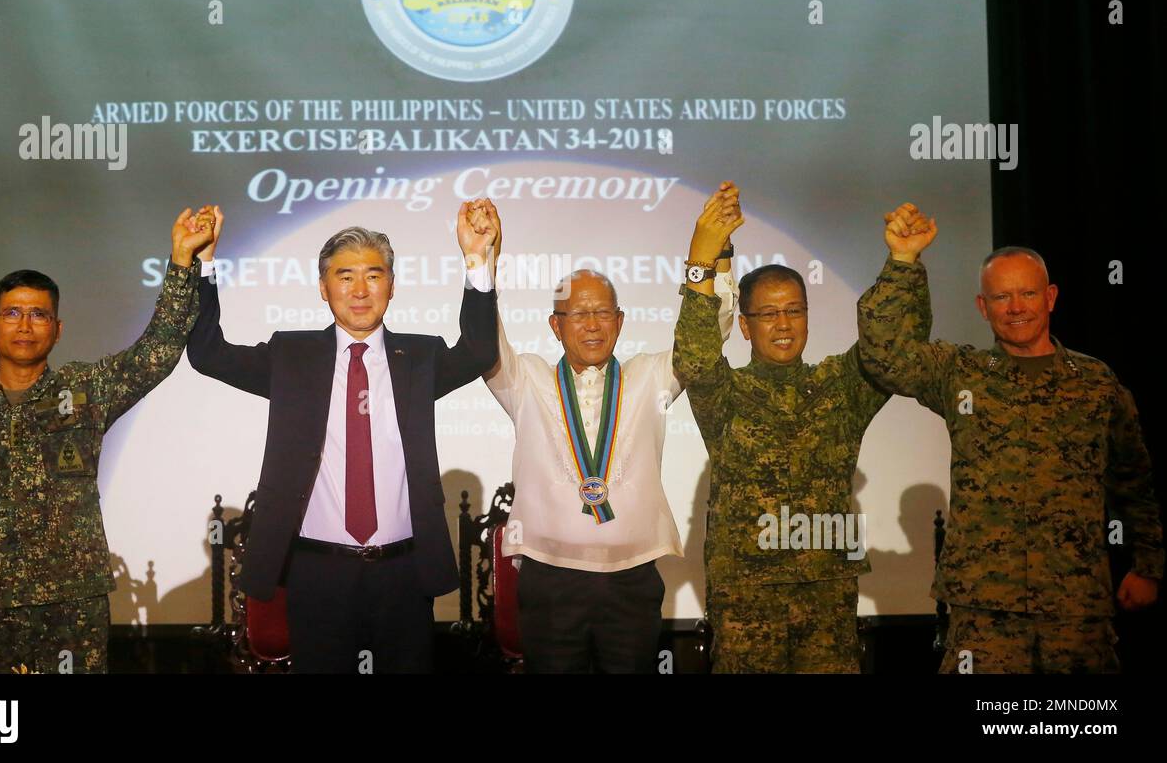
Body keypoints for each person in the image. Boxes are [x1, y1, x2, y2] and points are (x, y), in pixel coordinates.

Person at [186, 203, 499, 673]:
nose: (359, 290)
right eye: (344, 275)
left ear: (391, 286)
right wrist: (204, 264)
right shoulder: (291, 356)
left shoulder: (418, 356)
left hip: (403, 572)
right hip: (317, 572)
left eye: (373, 276)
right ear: (323, 287)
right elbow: (208, 353)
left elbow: (478, 351)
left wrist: (477, 260)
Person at [857, 203, 1162, 673]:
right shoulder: (962, 373)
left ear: (1051, 297)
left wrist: (1147, 564)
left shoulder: (1096, 383)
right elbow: (884, 356)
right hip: (985, 609)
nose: (1016, 308)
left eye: (1027, 294)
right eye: (1001, 298)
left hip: (1075, 606)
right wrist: (902, 262)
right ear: (983, 306)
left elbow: (1134, 480)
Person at [0, 207, 213, 673]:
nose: (25, 325)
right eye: (12, 313)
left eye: (38, 315)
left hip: (74, 608)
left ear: (57, 328)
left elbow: (157, 351)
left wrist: (180, 261)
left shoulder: (84, 393)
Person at [475, 186, 738, 673]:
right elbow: (484, 340)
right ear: (556, 325)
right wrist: (484, 260)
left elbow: (712, 332)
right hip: (549, 583)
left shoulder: (650, 376)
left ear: (620, 321)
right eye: (579, 313)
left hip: (631, 582)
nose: (592, 325)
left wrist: (715, 258)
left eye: (603, 313)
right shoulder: (526, 379)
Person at [672, 193, 920, 673]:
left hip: (826, 598)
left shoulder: (840, 386)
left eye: (794, 311)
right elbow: (695, 360)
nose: (783, 324)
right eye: (767, 314)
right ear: (744, 326)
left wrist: (902, 265)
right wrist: (702, 260)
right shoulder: (727, 394)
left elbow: (889, 352)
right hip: (746, 598)